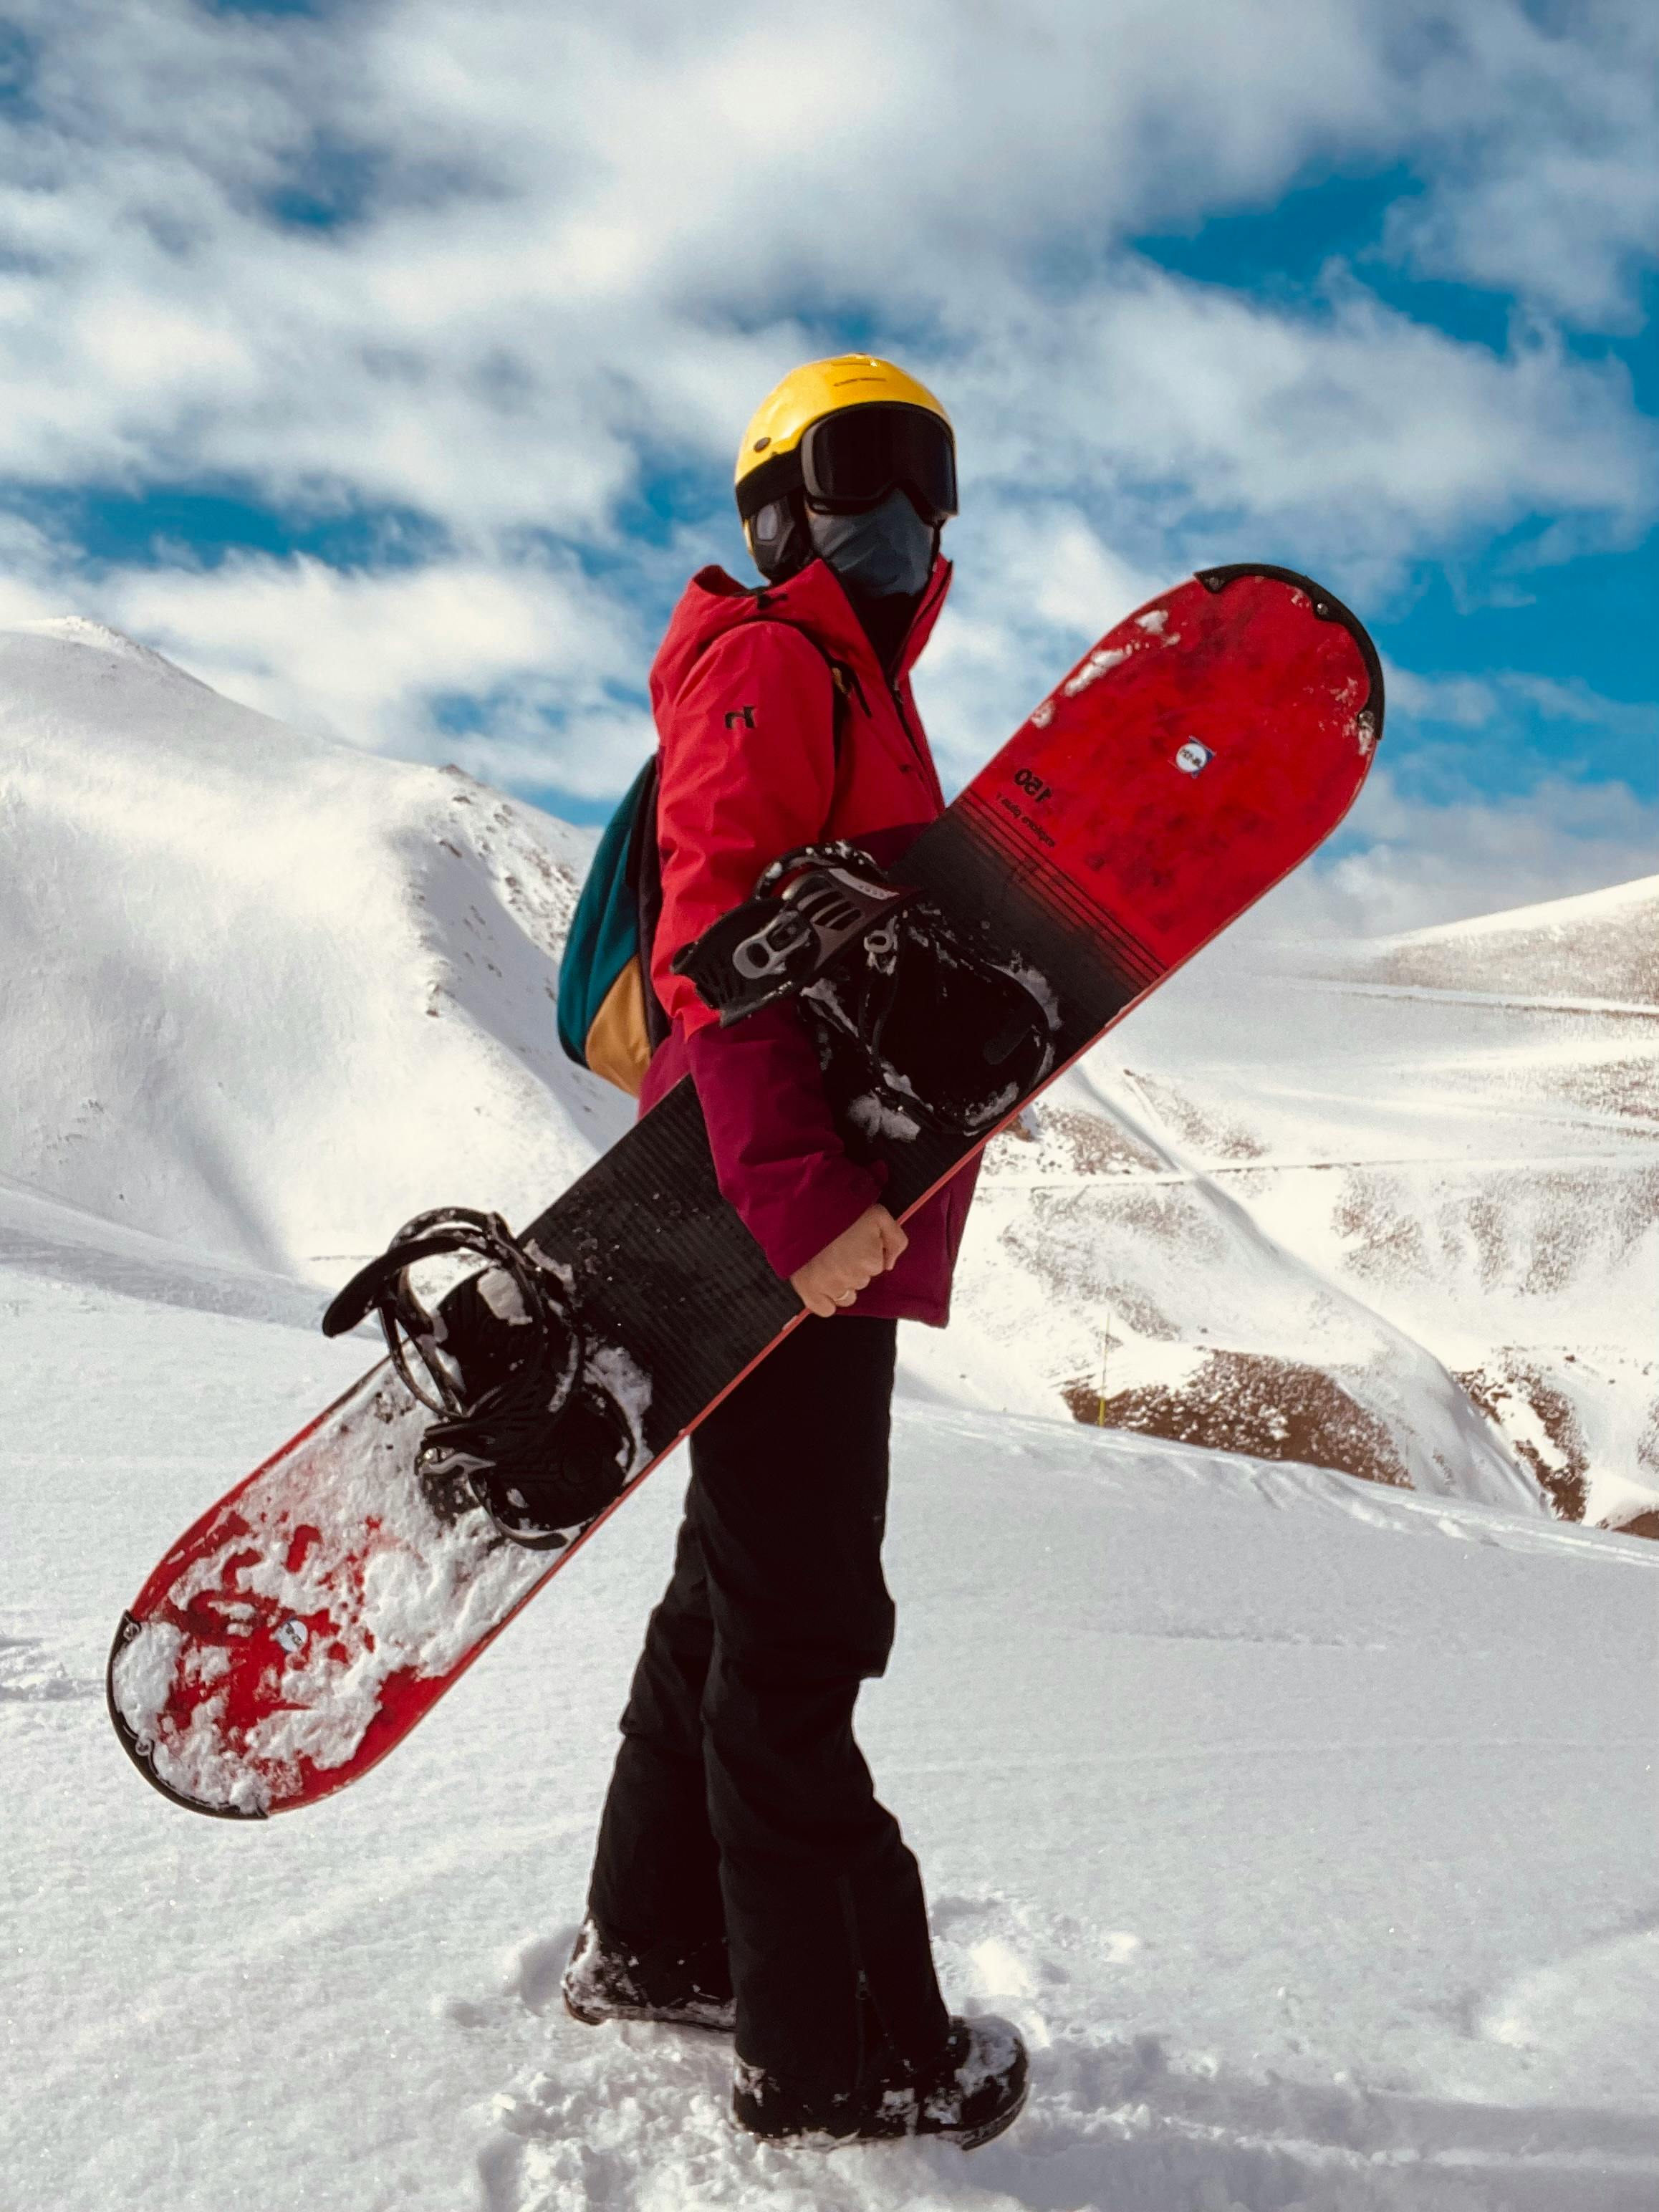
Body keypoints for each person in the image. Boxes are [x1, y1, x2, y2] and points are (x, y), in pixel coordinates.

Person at [559, 355, 1029, 2149]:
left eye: (927, 487)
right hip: (790, 1225)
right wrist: (810, 1208)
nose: (898, 524)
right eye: (854, 481)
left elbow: (857, 963)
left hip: (811, 1218)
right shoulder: (775, 659)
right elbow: (714, 954)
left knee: (736, 1596)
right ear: (773, 509)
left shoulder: (864, 689)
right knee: (803, 1628)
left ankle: (654, 1931)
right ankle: (839, 2052)